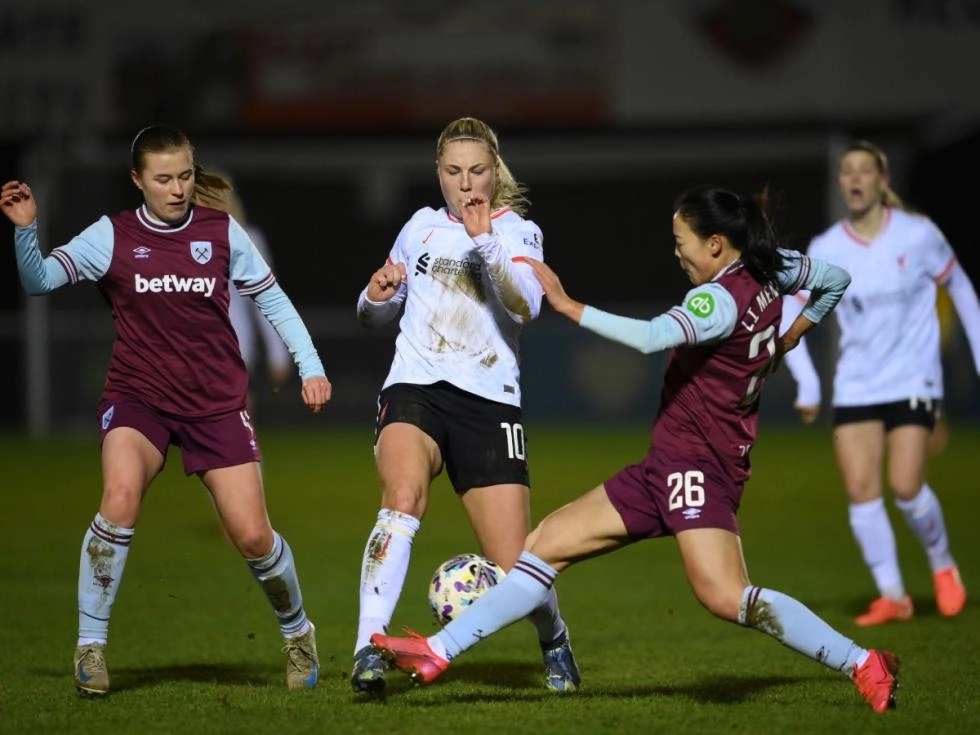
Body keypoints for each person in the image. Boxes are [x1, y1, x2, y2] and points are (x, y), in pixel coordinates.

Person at [372, 186, 903, 715]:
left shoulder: (714, 300)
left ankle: (862, 662)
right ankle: (438, 652)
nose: (677, 253)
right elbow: (835, 280)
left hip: (696, 469)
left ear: (716, 244)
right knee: (544, 546)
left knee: (725, 595)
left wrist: (567, 305)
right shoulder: (770, 267)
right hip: (666, 465)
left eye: (682, 242)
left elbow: (651, 337)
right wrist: (790, 336)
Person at [1, 124, 332, 697]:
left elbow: (272, 300)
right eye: (163, 179)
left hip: (215, 404)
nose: (177, 188)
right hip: (140, 398)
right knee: (119, 499)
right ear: (137, 180)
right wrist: (27, 231)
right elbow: (38, 281)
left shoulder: (222, 231)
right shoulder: (112, 236)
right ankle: (91, 645)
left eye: (184, 175)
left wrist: (311, 366)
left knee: (253, 536)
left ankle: (298, 632)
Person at [350, 116, 578, 695]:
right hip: (415, 387)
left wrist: (485, 242)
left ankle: (554, 637)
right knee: (401, 498)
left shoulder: (518, 232)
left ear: (494, 170)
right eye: (453, 171)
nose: (466, 182)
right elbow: (375, 312)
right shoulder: (419, 228)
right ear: (438, 173)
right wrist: (374, 295)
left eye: (477, 170)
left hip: (488, 400)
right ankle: (366, 649)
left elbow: (526, 306)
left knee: (515, 567)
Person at [779, 141, 980, 626]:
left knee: (906, 486)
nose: (854, 178)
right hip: (857, 384)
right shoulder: (828, 247)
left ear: (882, 181)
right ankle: (894, 595)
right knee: (862, 491)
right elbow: (792, 307)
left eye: (864, 170)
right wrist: (807, 383)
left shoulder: (917, 235)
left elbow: (962, 289)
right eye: (847, 171)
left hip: (914, 378)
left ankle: (942, 564)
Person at [223, 185, 294, 413]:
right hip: (189, 349)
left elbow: (265, 296)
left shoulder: (246, 239)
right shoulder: (178, 242)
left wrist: (278, 353)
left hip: (234, 346)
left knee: (235, 425)